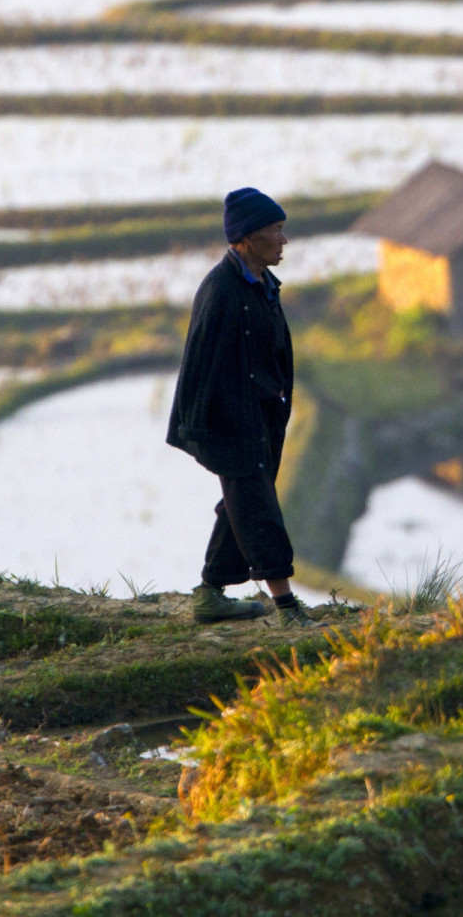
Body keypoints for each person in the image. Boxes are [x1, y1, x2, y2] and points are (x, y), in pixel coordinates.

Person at [167, 187, 323, 628]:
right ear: (249, 238)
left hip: (263, 418)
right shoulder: (221, 291)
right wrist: (202, 431)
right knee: (257, 508)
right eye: (276, 230)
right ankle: (287, 608)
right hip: (234, 424)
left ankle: (210, 594)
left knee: (240, 503)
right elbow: (198, 366)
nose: (283, 239)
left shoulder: (263, 286)